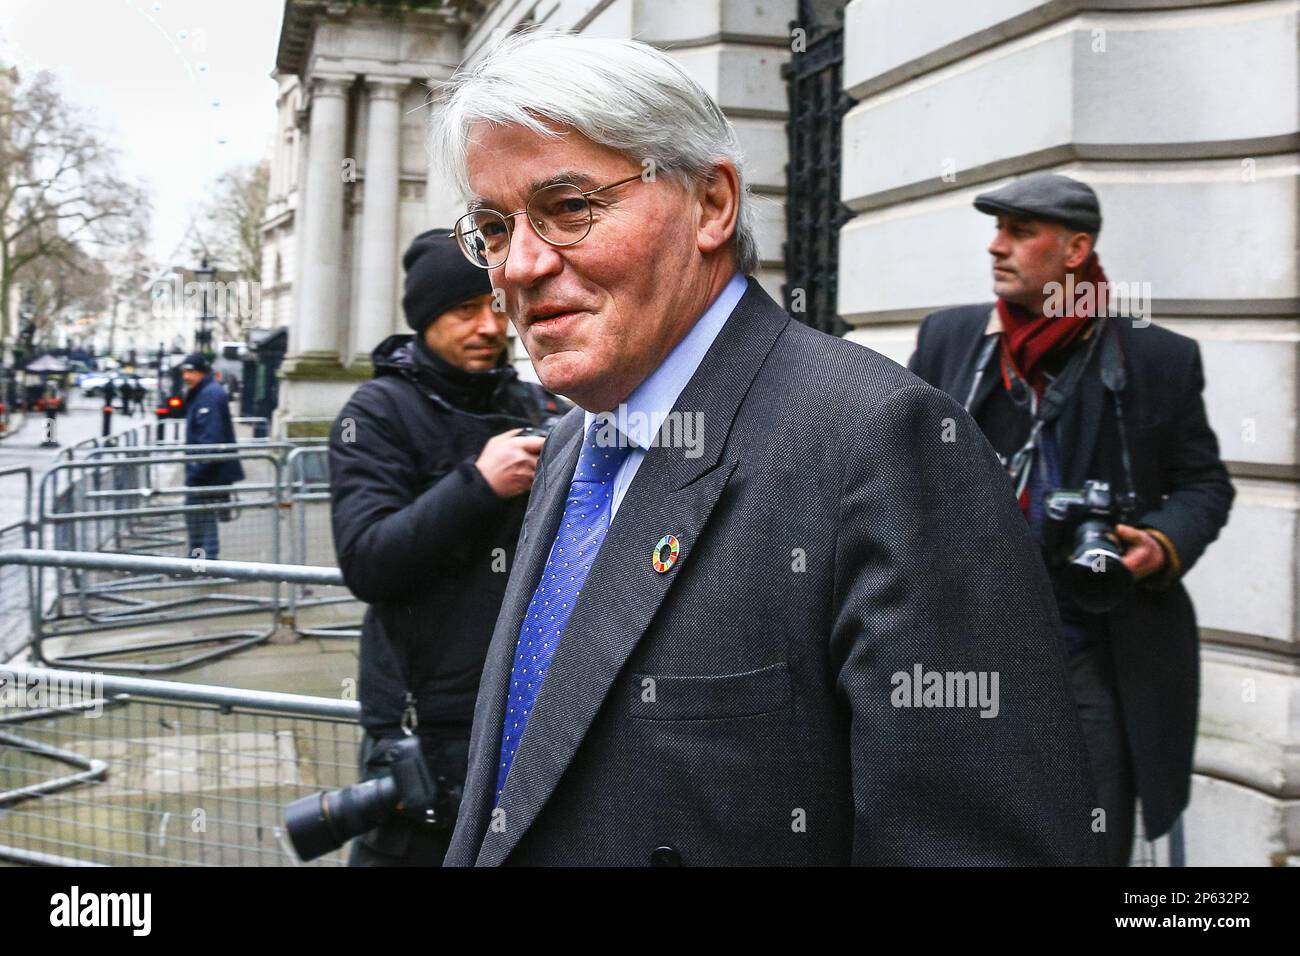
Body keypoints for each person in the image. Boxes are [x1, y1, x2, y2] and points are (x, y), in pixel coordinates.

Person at [433, 32, 1102, 867]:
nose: (520, 267)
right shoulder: (572, 446)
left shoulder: (882, 445)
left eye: (569, 208)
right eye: (493, 228)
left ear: (712, 204)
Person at [908, 173, 1235, 865]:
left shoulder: (1157, 358)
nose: (997, 247)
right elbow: (895, 472)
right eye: (997, 230)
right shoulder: (949, 342)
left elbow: (1203, 484)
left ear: (1076, 249)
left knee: (1089, 839)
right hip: (964, 643)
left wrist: (1163, 543)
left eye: (1021, 232)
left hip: (1094, 641)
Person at [328, 229, 567, 866]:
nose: (488, 326)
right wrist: (478, 484)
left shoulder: (530, 400)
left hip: (526, 698)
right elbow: (367, 562)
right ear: (425, 320)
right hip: (425, 719)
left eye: (494, 305)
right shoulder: (377, 411)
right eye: (464, 311)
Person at [180, 352, 244, 560]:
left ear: (201, 372)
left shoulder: (209, 394)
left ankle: (204, 564)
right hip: (207, 469)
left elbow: (211, 439)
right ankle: (199, 563)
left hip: (207, 472)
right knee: (200, 519)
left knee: (201, 521)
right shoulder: (205, 392)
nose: (186, 376)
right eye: (185, 372)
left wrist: (197, 470)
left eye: (191, 371)